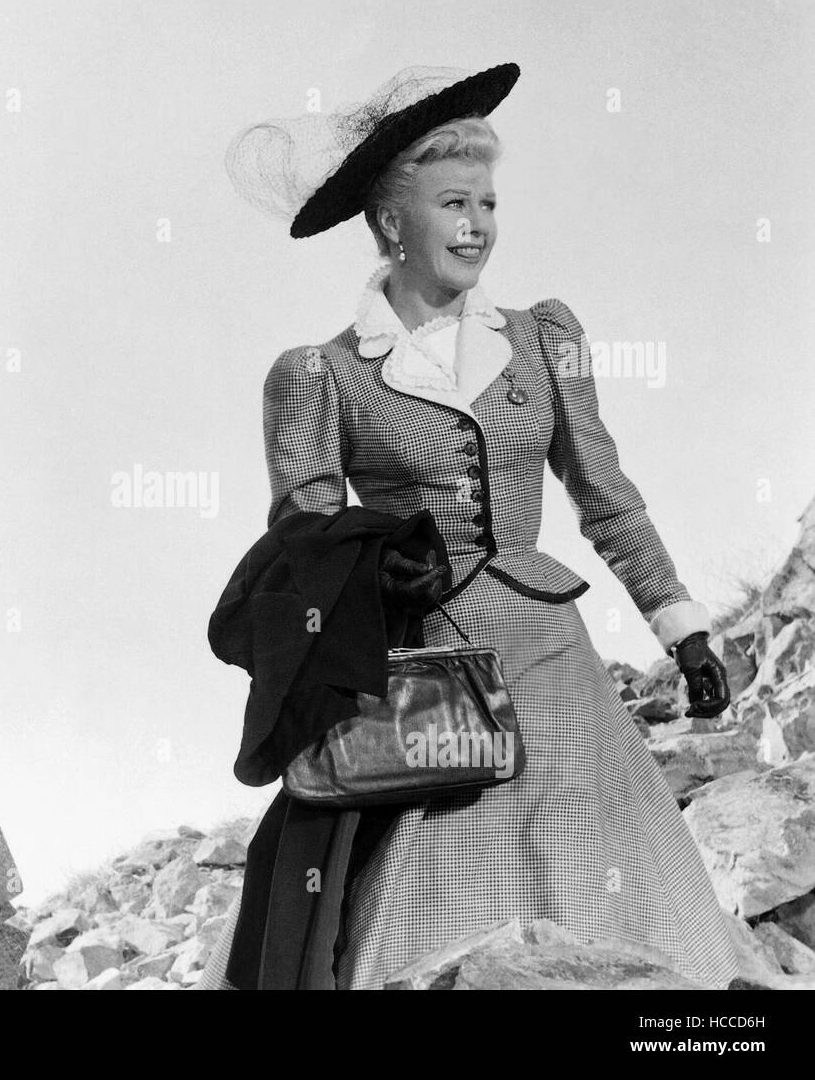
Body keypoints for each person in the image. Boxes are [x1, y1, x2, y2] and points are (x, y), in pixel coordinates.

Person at [198, 63, 739, 989]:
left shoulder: (544, 335)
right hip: (425, 677)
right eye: (453, 202)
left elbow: (603, 490)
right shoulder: (318, 374)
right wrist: (370, 573)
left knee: (603, 880)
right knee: (440, 899)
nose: (477, 225)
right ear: (389, 223)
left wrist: (681, 625)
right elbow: (304, 552)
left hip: (549, 651)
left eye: (487, 202)